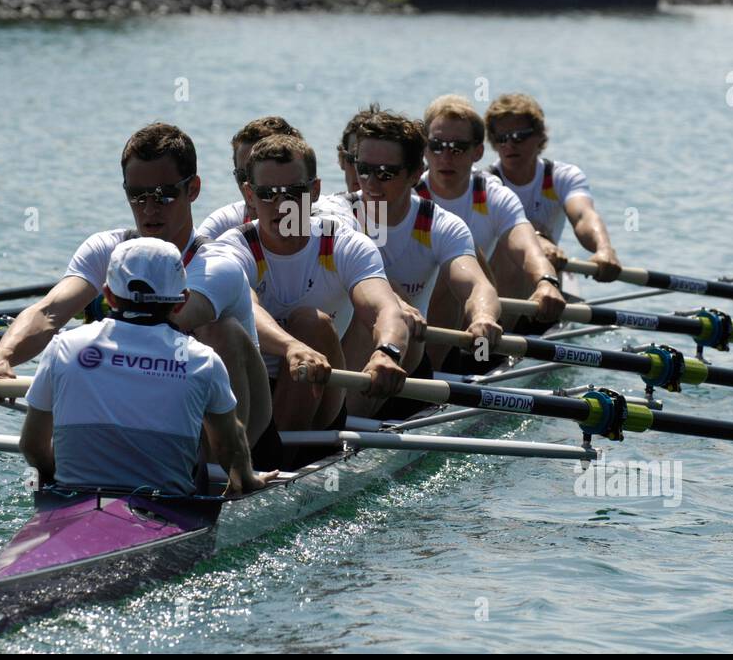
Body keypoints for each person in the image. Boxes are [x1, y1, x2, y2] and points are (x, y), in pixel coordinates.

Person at [0, 123, 272, 448]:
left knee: (218, 330)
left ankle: (223, 473)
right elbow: (48, 313)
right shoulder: (105, 248)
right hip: (153, 419)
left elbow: (165, 321)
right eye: (136, 196)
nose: (149, 209)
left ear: (193, 189)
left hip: (241, 433)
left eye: (164, 195)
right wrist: (1, 357)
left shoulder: (217, 262)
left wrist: (75, 350)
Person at [20, 237, 273, 496]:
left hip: (72, 500)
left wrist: (56, 486)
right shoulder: (202, 360)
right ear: (181, 300)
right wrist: (246, 480)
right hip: (167, 509)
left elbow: (32, 446)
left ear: (108, 295)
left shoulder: (62, 347)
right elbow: (228, 446)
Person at [213, 133, 410, 447]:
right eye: (268, 194)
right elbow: (245, 306)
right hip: (254, 392)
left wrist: (387, 352)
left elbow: (384, 308)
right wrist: (291, 347)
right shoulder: (233, 249)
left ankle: (276, 456)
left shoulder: (344, 243)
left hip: (324, 392)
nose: (282, 206)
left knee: (311, 322)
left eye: (293, 193)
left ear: (315, 190)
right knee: (217, 325)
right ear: (250, 195)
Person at [348, 109, 504, 413]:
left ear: (415, 173)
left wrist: (483, 317)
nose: (370, 183)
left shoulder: (441, 224)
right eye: (364, 169)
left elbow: (475, 284)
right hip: (349, 358)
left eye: (386, 173)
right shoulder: (336, 214)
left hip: (407, 358)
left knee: (400, 319)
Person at [418, 94, 566, 327]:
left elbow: (527, 248)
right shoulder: (406, 194)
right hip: (411, 316)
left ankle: (493, 336)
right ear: (424, 150)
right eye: (437, 146)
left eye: (457, 148)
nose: (446, 157)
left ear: (477, 152)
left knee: (475, 254)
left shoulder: (494, 196)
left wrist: (546, 281)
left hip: (471, 315)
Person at [484, 92, 621, 281]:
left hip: (545, 271)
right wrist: (539, 240)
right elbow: (511, 229)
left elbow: (583, 217)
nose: (509, 145)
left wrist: (604, 248)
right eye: (501, 138)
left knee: (546, 259)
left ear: (540, 136)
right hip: (496, 281)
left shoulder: (563, 177)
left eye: (518, 137)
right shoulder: (486, 183)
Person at [199, 116, 353, 240]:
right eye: (243, 175)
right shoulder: (223, 225)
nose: (250, 182)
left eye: (290, 188)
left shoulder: (332, 224)